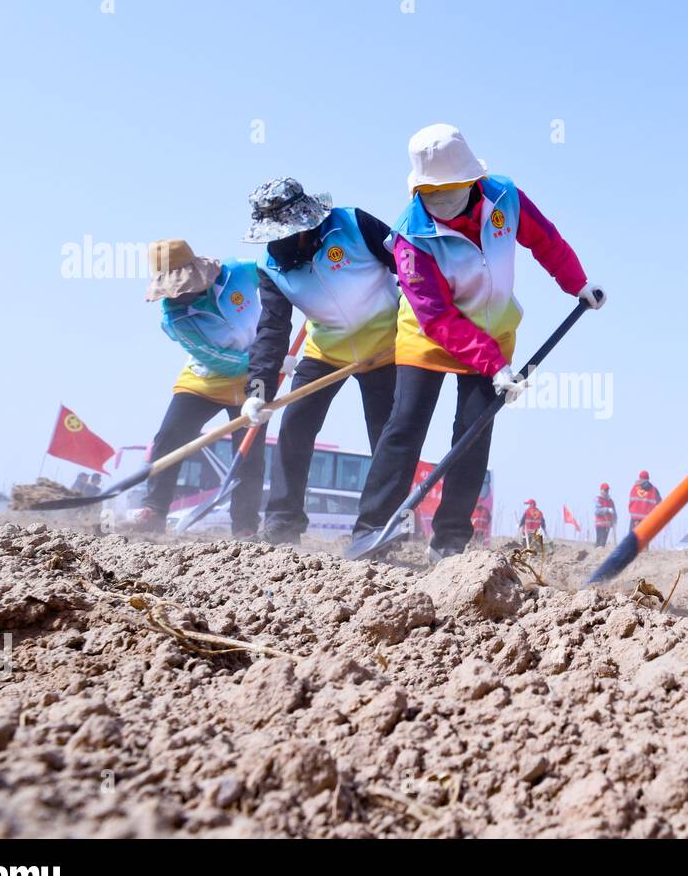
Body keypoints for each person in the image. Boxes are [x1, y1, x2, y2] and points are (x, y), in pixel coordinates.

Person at [349, 125, 603, 562]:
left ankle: (449, 541)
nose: (442, 201)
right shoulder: (410, 237)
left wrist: (577, 284)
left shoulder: (505, 197)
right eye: (431, 192)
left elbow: (546, 241)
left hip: (493, 331)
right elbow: (436, 315)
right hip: (429, 335)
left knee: (472, 432)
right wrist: (493, 365)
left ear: (473, 180)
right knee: (405, 425)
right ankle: (372, 529)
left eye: (451, 190)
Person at [240, 178, 400, 545]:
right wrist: (258, 390)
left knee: (387, 439)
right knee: (295, 427)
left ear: (305, 224)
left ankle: (379, 528)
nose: (277, 244)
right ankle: (283, 522)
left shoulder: (355, 225)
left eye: (284, 234)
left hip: (387, 347)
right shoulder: (271, 266)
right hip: (326, 351)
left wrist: (415, 308)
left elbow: (409, 265)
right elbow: (272, 331)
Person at [131, 239, 265, 536]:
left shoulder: (238, 272)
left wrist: (276, 349)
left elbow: (278, 280)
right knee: (169, 438)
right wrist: (267, 362)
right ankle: (155, 509)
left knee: (250, 451)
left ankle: (245, 526)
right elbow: (219, 360)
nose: (179, 296)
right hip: (205, 378)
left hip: (254, 381)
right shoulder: (174, 316)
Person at [593, 482, 618, 547]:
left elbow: (614, 512)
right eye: (605, 490)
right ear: (601, 490)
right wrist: (607, 509)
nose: (606, 491)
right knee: (599, 541)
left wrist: (615, 521)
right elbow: (597, 511)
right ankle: (595, 553)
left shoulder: (610, 501)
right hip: (600, 524)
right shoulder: (598, 499)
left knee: (603, 543)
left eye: (607, 490)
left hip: (607, 525)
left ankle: (600, 554)